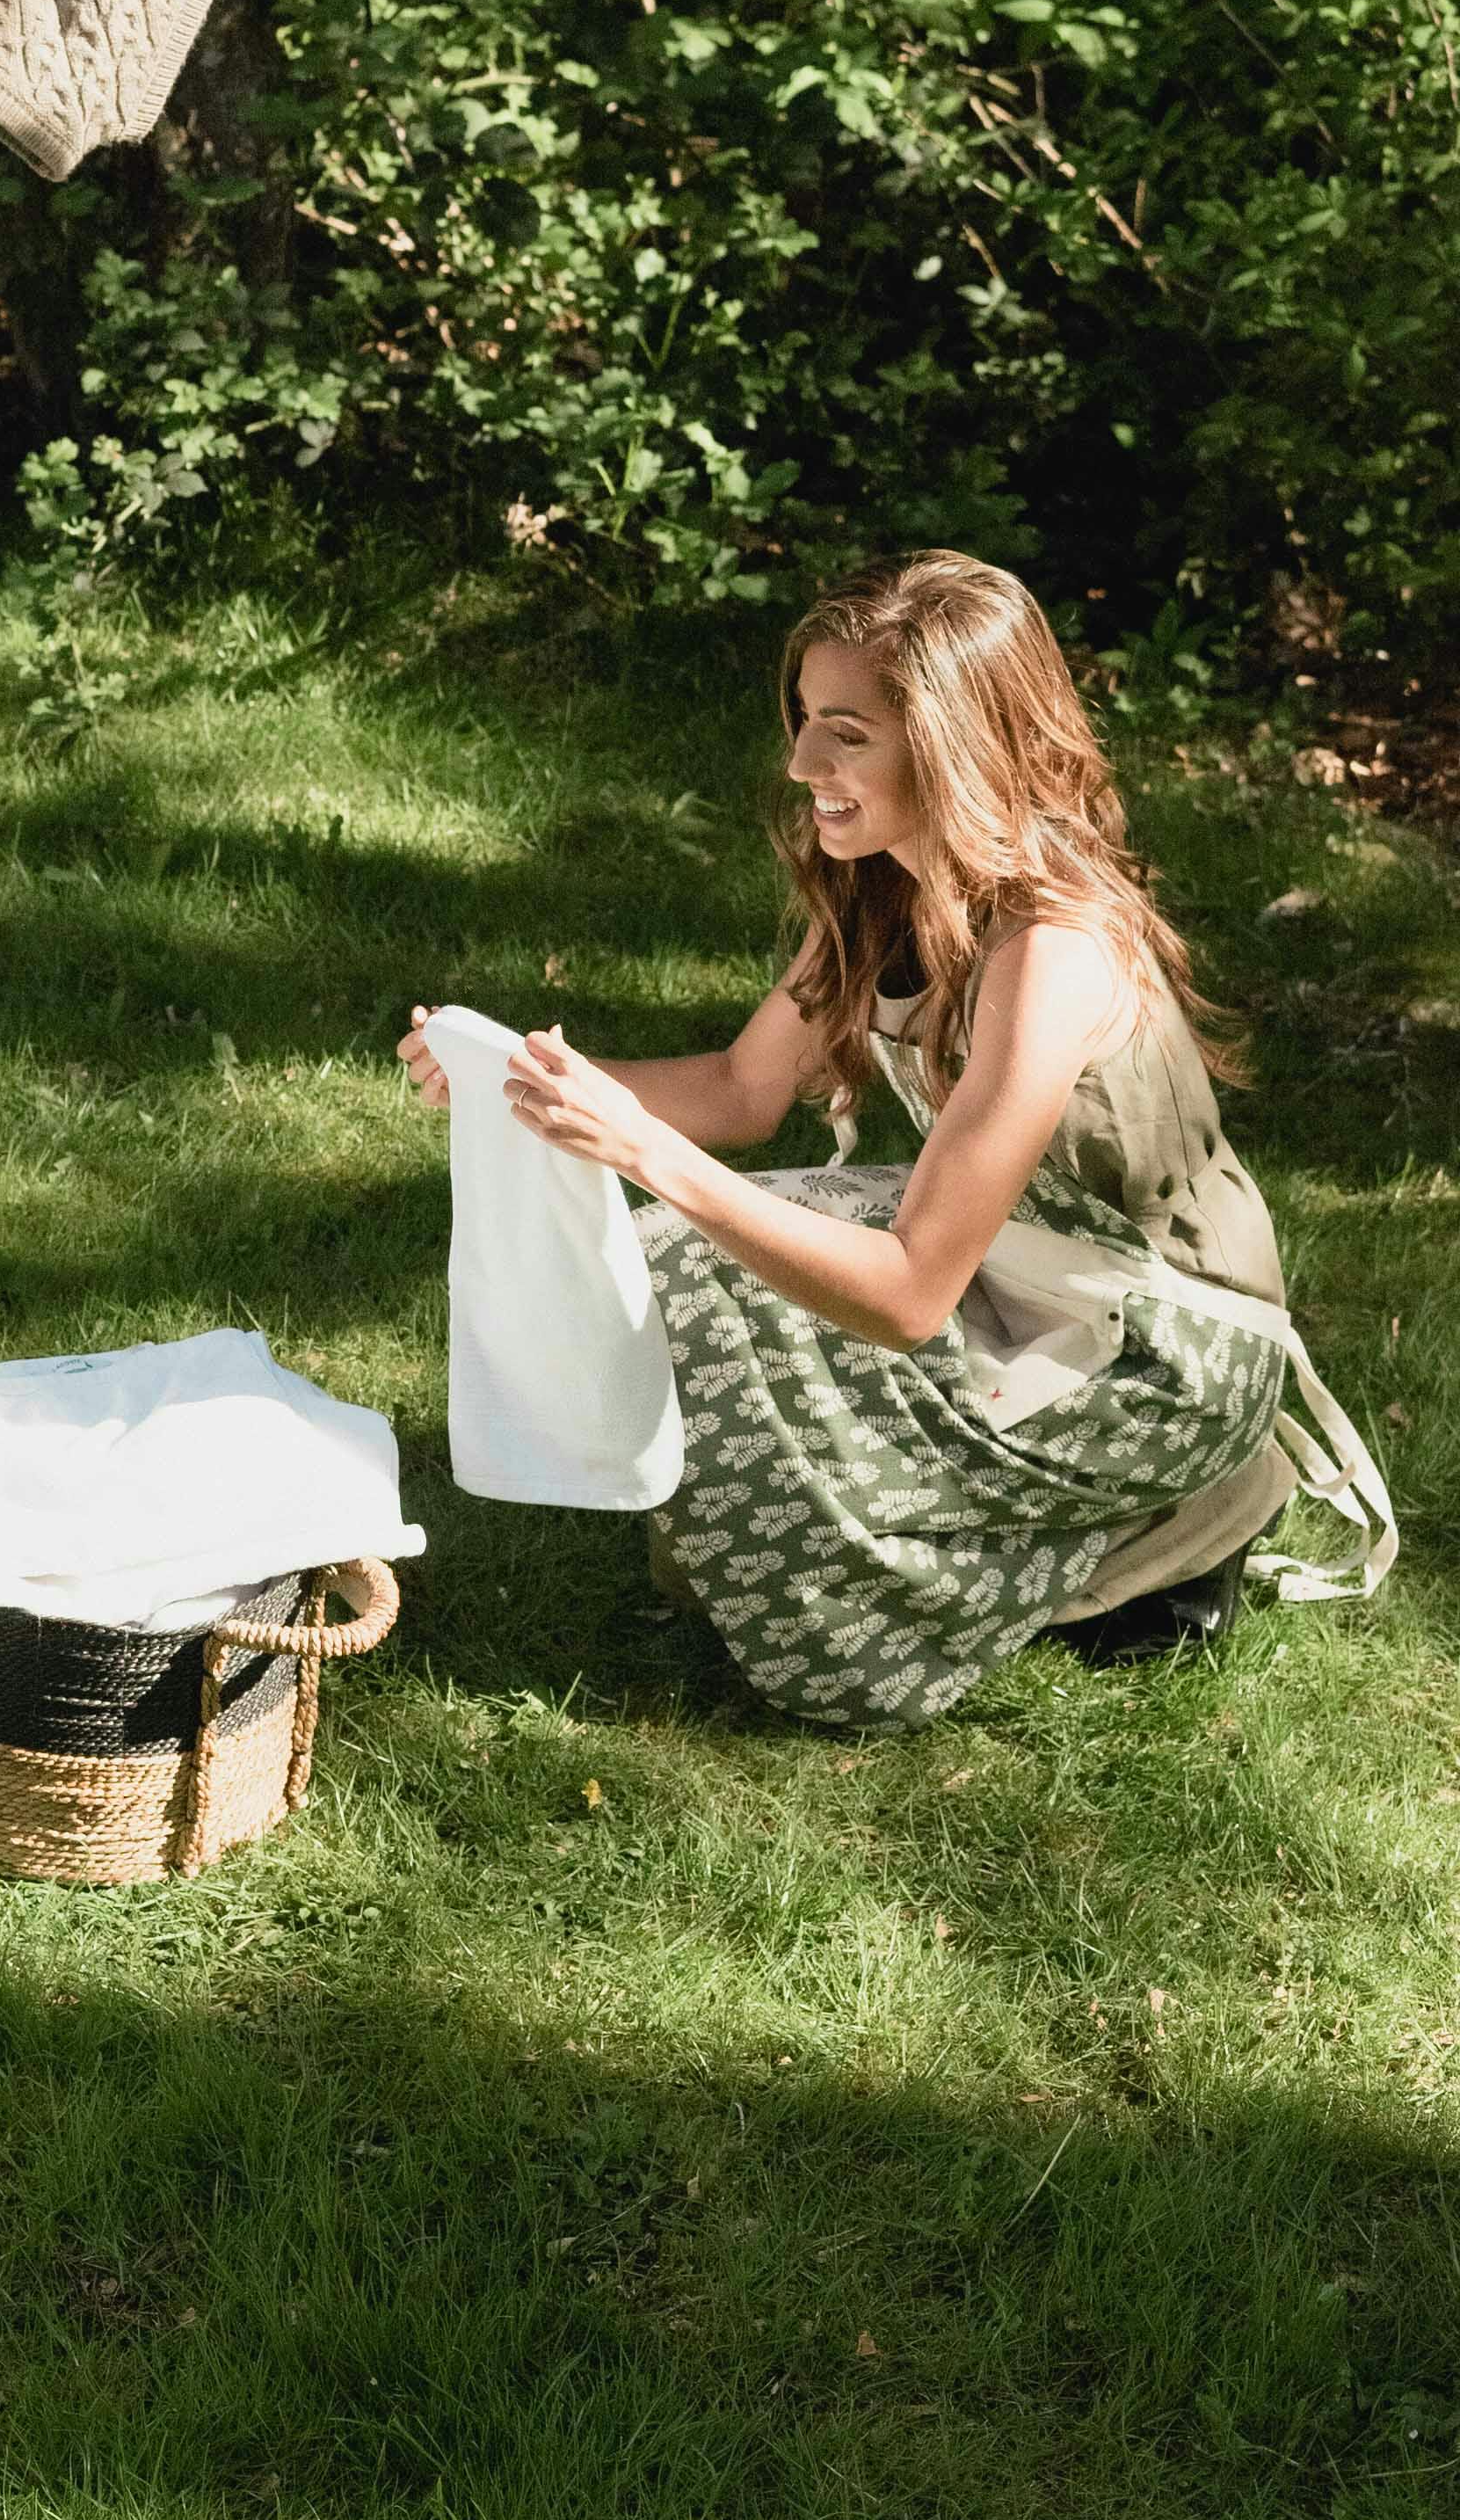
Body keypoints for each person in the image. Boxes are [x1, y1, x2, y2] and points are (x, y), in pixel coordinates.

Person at [396, 550, 1369, 1731]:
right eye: (807, 721)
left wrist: (643, 1151)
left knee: (708, 1313)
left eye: (845, 734)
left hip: (1162, 1352)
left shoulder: (1049, 948)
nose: (804, 763)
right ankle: (1029, 1530)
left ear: (953, 745)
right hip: (1029, 1265)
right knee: (668, 1270)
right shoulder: (887, 889)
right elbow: (743, 1089)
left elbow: (909, 1296)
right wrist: (526, 1082)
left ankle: (1156, 1537)